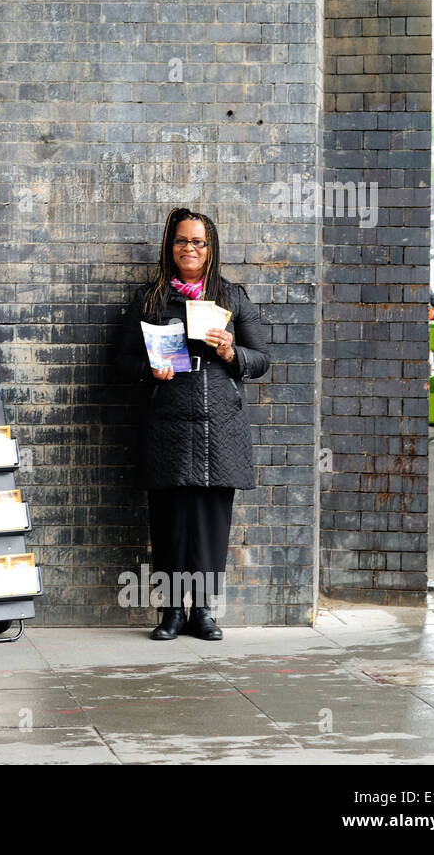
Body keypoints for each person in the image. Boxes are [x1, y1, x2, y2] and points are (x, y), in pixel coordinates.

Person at [115, 209, 270, 641]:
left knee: (210, 524)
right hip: (168, 424)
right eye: (182, 241)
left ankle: (201, 612)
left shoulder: (232, 297)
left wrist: (230, 353)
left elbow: (262, 361)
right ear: (170, 247)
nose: (190, 249)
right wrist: (149, 369)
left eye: (199, 242)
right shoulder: (150, 299)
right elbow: (121, 362)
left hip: (219, 425)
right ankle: (170, 613)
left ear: (211, 248)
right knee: (169, 523)